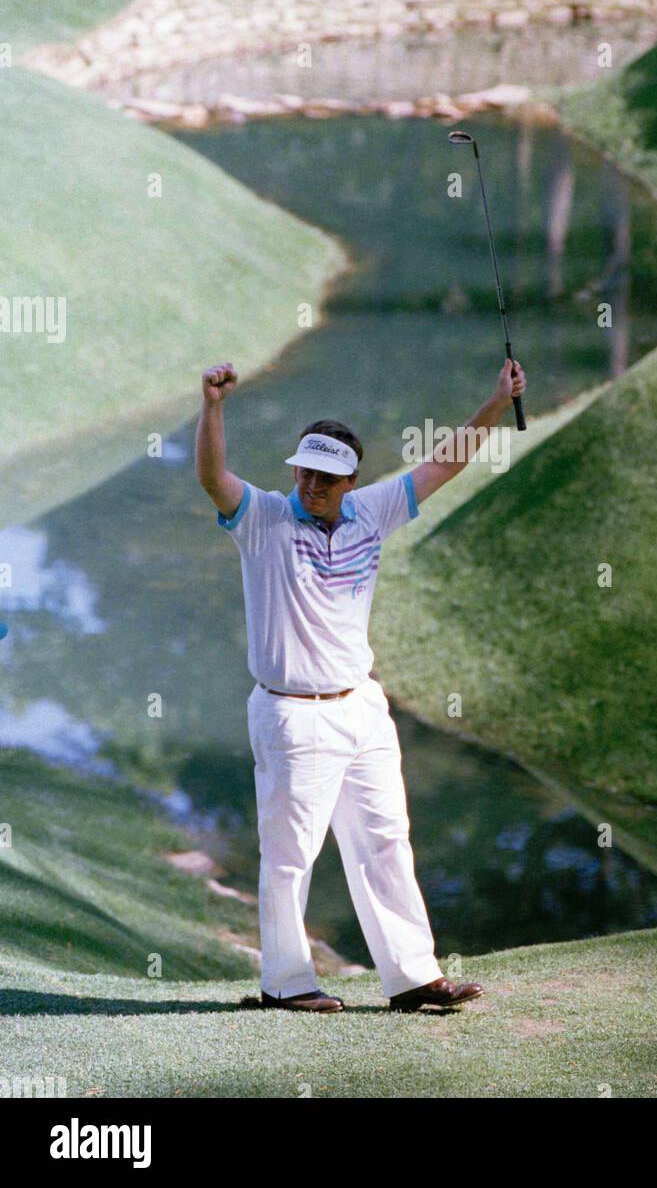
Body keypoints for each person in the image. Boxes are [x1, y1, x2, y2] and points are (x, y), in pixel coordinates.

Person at [195, 355, 528, 1013]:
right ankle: (286, 985)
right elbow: (211, 477)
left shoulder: (372, 511)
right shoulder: (262, 518)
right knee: (290, 857)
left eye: (328, 476)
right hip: (293, 715)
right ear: (294, 468)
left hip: (361, 708)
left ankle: (411, 978)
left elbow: (444, 463)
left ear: (351, 480)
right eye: (306, 471)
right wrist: (212, 407)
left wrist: (494, 402)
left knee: (384, 840)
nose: (313, 483)